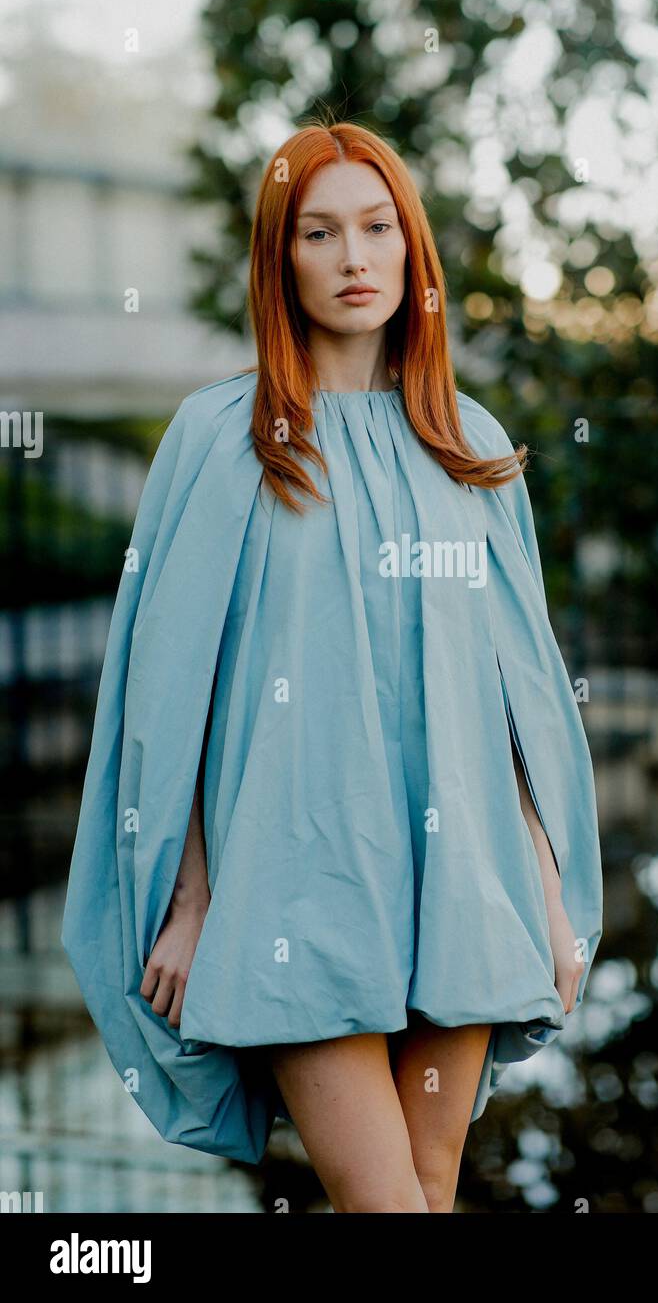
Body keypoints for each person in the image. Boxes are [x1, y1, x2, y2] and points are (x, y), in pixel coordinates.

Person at [61, 119, 603, 1213]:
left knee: (431, 1185)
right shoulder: (221, 440)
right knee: (382, 1198)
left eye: (374, 229)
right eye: (319, 233)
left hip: (462, 883)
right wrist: (192, 894)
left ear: (411, 252)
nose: (352, 259)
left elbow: (517, 706)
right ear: (280, 256)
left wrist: (544, 895)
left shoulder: (470, 448)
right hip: (291, 880)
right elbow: (176, 696)